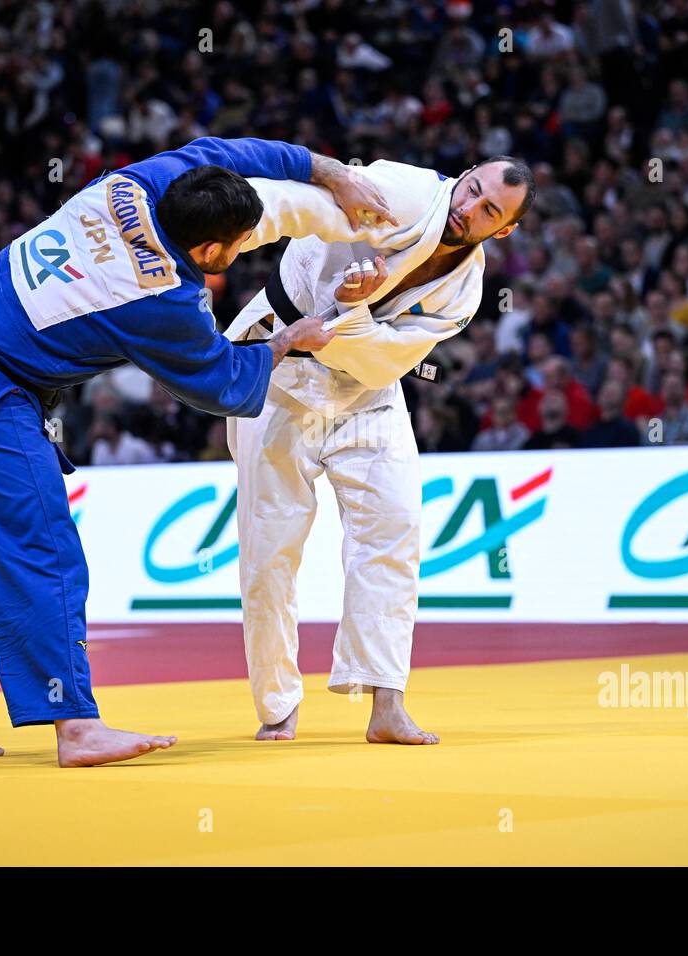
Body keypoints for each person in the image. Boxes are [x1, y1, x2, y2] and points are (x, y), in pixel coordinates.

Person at [0, 137, 387, 768]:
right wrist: (289, 338)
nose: (235, 258)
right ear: (209, 250)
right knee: (44, 555)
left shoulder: (142, 183)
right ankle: (75, 727)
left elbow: (223, 149)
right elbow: (224, 383)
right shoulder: (160, 297)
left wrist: (328, 173)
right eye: (236, 248)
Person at [223, 155, 533, 744]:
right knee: (269, 545)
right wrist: (220, 229)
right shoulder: (401, 190)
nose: (468, 209)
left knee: (394, 528)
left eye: (489, 210)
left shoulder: (465, 290)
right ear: (461, 175)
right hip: (278, 363)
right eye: (470, 190)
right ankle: (277, 705)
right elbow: (297, 204)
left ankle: (386, 701)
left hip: (366, 390)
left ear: (505, 229)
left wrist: (353, 309)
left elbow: (383, 359)